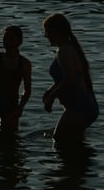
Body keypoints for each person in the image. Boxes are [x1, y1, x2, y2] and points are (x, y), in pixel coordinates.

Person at [41, 13, 98, 143]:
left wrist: (51, 98)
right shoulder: (68, 48)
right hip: (84, 105)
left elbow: (70, 80)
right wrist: (50, 91)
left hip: (79, 107)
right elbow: (66, 78)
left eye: (47, 31)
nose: (46, 36)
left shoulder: (64, 51)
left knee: (59, 140)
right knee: (75, 143)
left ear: (56, 31)